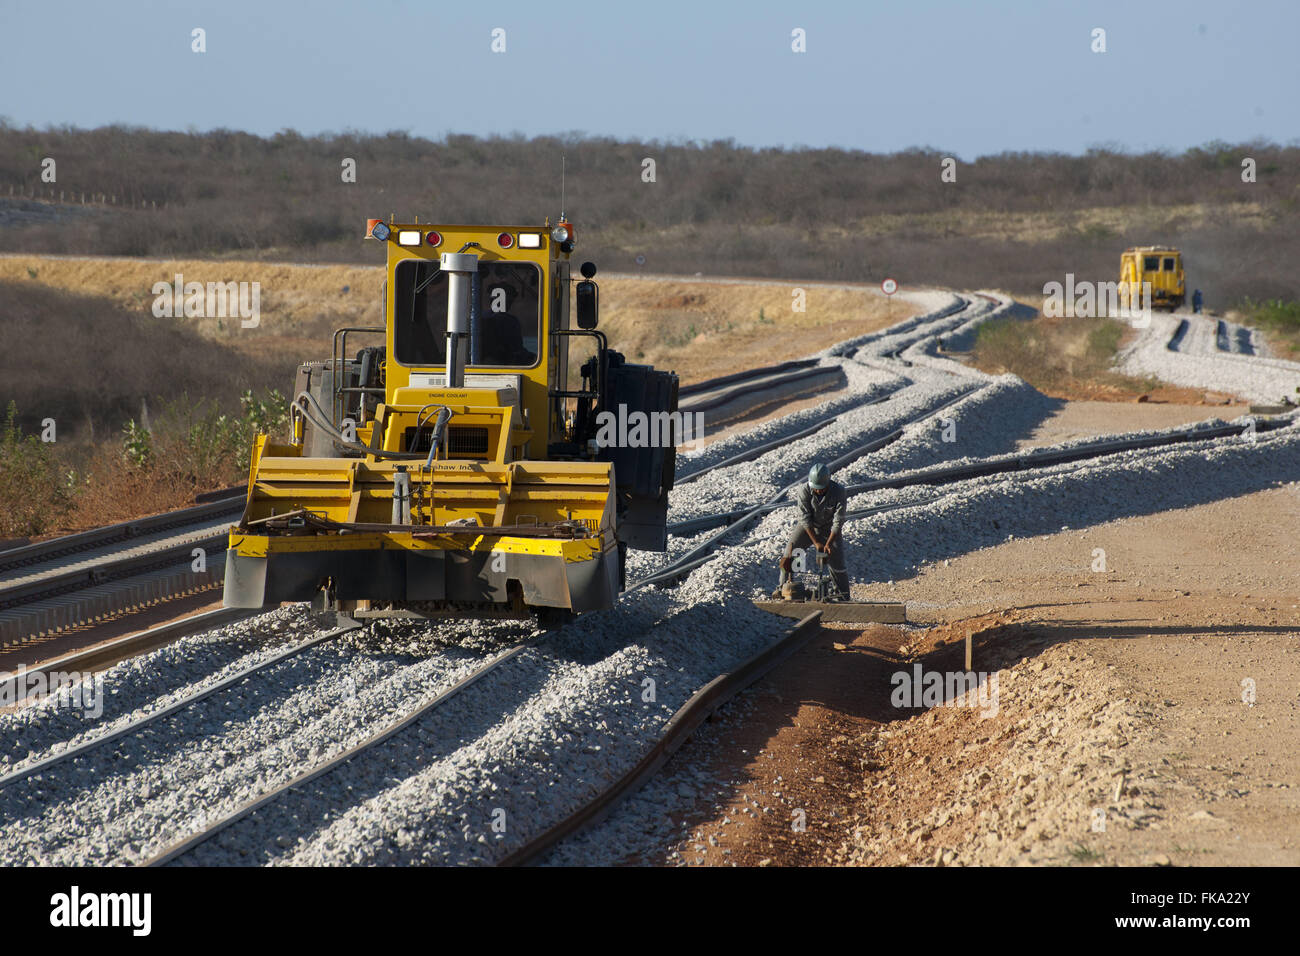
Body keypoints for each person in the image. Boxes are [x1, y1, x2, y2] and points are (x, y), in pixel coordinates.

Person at [778, 463, 850, 599]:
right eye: (815, 489)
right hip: (808, 527)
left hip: (829, 528)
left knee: (837, 562)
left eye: (821, 489)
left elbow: (838, 521)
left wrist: (828, 544)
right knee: (790, 553)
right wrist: (816, 543)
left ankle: (843, 596)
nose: (818, 491)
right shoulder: (803, 490)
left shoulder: (839, 491)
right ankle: (784, 589)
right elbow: (805, 519)